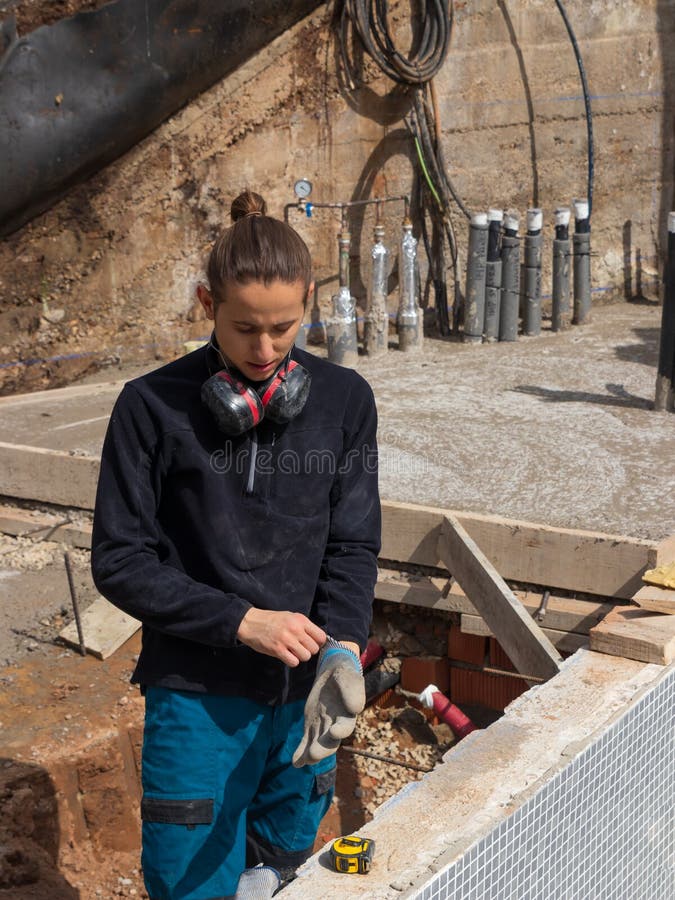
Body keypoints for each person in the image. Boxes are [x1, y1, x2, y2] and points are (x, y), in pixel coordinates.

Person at [91, 189, 381, 900]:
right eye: (244, 327)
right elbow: (120, 561)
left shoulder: (345, 402)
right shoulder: (151, 407)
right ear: (205, 303)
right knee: (188, 880)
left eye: (283, 328)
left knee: (282, 861)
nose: (264, 350)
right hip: (198, 698)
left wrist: (341, 645)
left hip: (303, 692)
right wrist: (241, 622)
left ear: (309, 300)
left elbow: (351, 542)